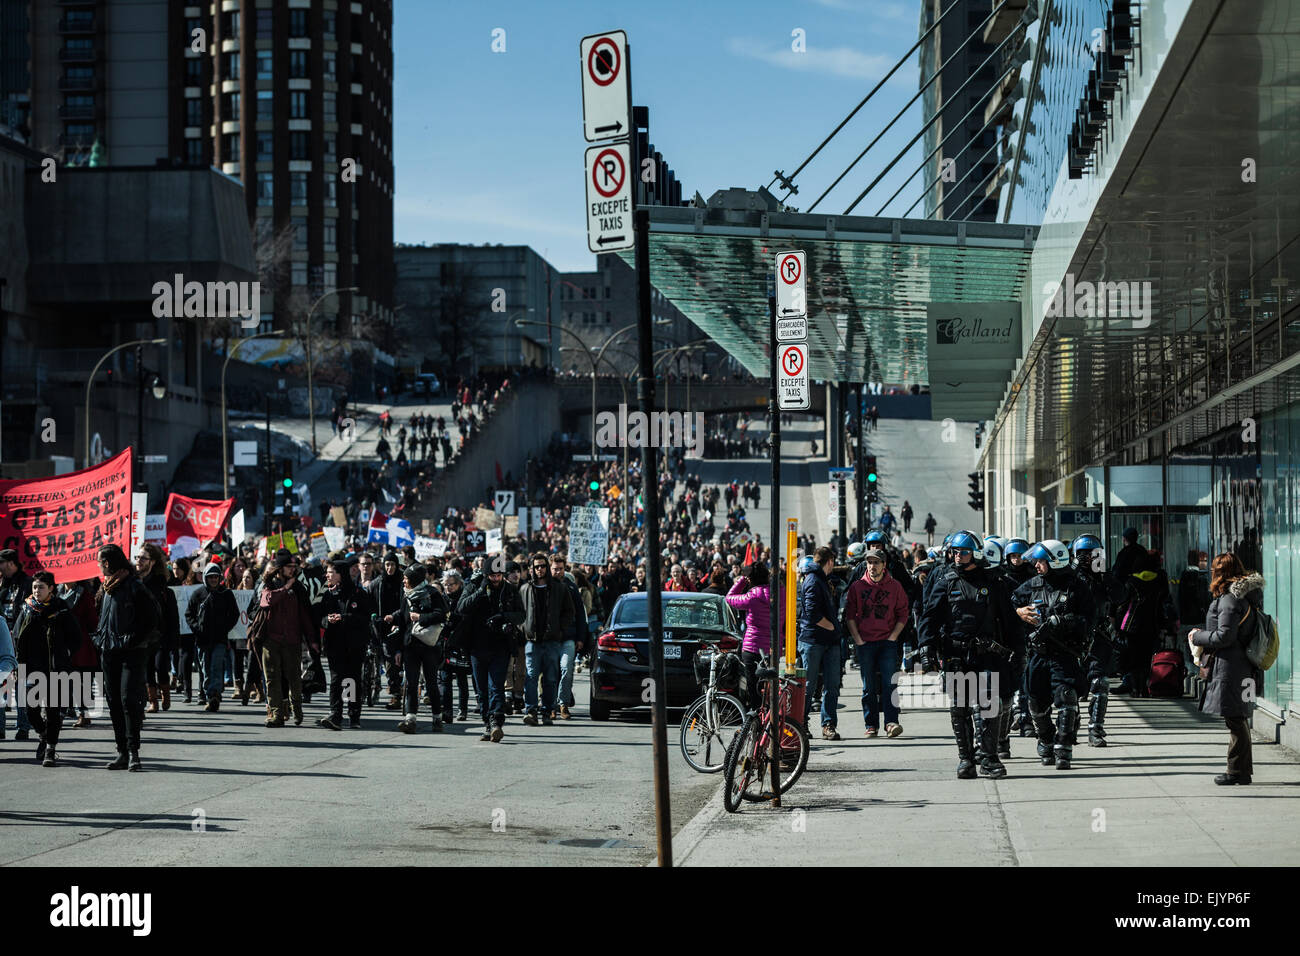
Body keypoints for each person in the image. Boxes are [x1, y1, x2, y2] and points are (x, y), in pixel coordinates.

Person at [918, 531, 1020, 778]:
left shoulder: (993, 582)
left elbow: (1010, 621)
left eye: (962, 552)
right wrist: (926, 650)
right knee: (960, 708)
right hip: (956, 654)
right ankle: (966, 760)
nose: (956, 556)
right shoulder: (946, 581)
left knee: (989, 705)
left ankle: (989, 758)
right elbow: (929, 618)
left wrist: (1019, 653)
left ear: (974, 553)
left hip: (987, 654)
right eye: (953, 552)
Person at [1011, 539, 1095, 770]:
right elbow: (1007, 604)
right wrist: (1018, 612)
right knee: (1036, 702)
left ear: (1055, 561)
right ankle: (1046, 739)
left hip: (1065, 654)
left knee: (1067, 698)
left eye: (1041, 561)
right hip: (1038, 654)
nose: (1037, 565)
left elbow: (1089, 620)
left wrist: (1063, 621)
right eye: (1036, 560)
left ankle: (1064, 746)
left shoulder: (1077, 587)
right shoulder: (1032, 585)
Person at [1189, 554, 1264, 785]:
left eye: (1214, 570)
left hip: (1232, 669)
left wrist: (1197, 636)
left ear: (1219, 573)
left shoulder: (1230, 600)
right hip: (1243, 667)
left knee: (1235, 719)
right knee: (1239, 718)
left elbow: (1225, 636)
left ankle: (1235, 772)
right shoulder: (1243, 597)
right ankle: (1242, 771)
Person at [91, 544, 161, 771]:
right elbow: (101, 618)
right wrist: (99, 639)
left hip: (132, 653)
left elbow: (152, 618)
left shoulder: (134, 586)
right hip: (109, 653)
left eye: (100, 561)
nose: (98, 565)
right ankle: (121, 752)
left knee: (129, 701)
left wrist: (131, 640)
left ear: (108, 563)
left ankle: (134, 753)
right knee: (114, 703)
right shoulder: (105, 588)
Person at [13, 571, 83, 767]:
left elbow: (76, 638)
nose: (36, 591)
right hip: (31, 667)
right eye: (35, 587)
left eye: (41, 587)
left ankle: (50, 749)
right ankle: (44, 735)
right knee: (31, 710)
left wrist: (65, 654)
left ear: (51, 588)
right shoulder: (27, 608)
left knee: (53, 710)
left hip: (55, 668)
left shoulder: (61, 609)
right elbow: (18, 636)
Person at [457, 554, 525, 741]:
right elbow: (461, 607)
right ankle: (487, 723)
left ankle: (496, 721)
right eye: (492, 575)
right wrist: (479, 592)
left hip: (500, 646)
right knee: (481, 690)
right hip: (477, 647)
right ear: (486, 574)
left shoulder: (510, 590)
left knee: (496, 686)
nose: (496, 579)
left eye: (499, 575)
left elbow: (521, 615)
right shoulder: (474, 586)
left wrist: (503, 617)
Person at [844, 548, 910, 739]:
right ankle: (871, 724)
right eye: (869, 562)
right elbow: (850, 615)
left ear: (884, 565)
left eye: (876, 562)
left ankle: (891, 722)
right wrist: (858, 639)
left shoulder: (895, 586)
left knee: (890, 685)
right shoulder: (857, 586)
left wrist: (894, 636)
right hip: (865, 643)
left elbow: (903, 613)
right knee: (868, 687)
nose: (872, 566)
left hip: (887, 643)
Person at [1069, 535, 1123, 747]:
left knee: (1100, 683)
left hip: (1099, 637)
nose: (1086, 558)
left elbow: (1120, 596)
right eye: (1082, 554)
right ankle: (1071, 723)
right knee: (1070, 686)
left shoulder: (1103, 577)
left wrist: (1104, 575)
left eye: (1091, 554)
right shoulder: (1070, 576)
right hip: (1074, 637)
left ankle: (1096, 728)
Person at [255, 554, 316, 727]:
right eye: (289, 566)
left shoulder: (298, 588)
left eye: (294, 566)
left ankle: (296, 708)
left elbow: (305, 615)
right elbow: (266, 601)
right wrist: (284, 589)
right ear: (280, 568)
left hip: (292, 641)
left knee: (294, 677)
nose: (293, 569)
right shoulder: (269, 584)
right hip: (271, 640)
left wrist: (312, 640)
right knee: (272, 678)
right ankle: (276, 714)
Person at [317, 560, 376, 730]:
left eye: (331, 572)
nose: (327, 576)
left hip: (354, 645)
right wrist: (327, 620)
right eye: (327, 573)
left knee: (351, 679)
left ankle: (353, 714)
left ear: (340, 574)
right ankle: (335, 714)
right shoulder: (327, 594)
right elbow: (319, 618)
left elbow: (366, 618)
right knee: (336, 679)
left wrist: (345, 618)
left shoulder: (358, 593)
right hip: (334, 643)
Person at [518, 553, 576, 726]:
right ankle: (531, 710)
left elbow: (569, 612)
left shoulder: (559, 588)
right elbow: (518, 613)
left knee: (550, 679)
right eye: (536, 566)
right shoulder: (525, 589)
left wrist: (559, 629)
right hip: (532, 641)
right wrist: (524, 628)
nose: (540, 569)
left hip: (552, 641)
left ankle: (547, 711)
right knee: (531, 677)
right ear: (532, 569)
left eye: (542, 566)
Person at [392, 564, 446, 733]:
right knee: (411, 683)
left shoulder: (432, 593)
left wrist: (421, 617)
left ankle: (437, 718)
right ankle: (410, 719)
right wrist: (398, 650)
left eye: (406, 578)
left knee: (431, 684)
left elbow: (442, 614)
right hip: (410, 646)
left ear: (414, 579)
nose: (404, 581)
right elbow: (402, 622)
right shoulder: (405, 595)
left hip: (429, 646)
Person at [797, 547, 842, 739]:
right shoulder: (813, 580)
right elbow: (812, 612)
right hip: (813, 640)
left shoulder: (821, 579)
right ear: (829, 561)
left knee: (832, 686)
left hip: (828, 642)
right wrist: (831, 626)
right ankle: (801, 723)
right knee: (809, 686)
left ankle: (828, 724)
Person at [185, 563, 240, 713]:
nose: (214, 579)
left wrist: (225, 628)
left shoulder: (226, 593)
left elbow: (235, 614)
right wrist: (197, 628)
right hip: (202, 640)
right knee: (205, 669)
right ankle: (209, 692)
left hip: (220, 639)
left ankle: (214, 695)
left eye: (216, 577)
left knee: (216, 665)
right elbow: (188, 614)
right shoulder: (198, 594)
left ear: (220, 577)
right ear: (205, 578)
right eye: (211, 577)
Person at [725, 563, 774, 708]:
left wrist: (741, 581)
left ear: (751, 579)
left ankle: (755, 721)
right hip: (771, 648)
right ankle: (768, 720)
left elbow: (730, 598)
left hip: (752, 648)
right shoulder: (779, 593)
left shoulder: (752, 596)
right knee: (769, 687)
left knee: (753, 690)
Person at [0, 548, 33, 739]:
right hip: (4, 638)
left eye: (1, 563)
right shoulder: (3, 584)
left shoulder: (28, 584)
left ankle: (23, 726)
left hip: (21, 640)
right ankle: (1, 727)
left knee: (22, 683)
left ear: (10, 563)